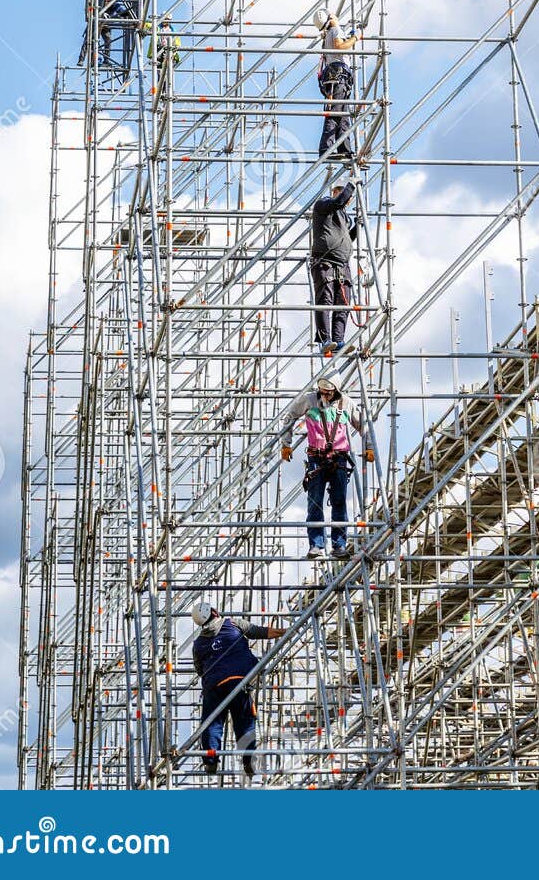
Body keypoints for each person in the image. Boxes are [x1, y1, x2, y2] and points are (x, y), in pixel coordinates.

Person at [280, 372, 372, 558]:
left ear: (336, 391)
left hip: (339, 459)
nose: (325, 395)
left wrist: (368, 447)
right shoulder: (309, 400)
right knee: (315, 502)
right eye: (323, 391)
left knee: (339, 502)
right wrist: (286, 443)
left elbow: (364, 425)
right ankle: (316, 544)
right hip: (317, 458)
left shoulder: (345, 403)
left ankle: (339, 545)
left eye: (329, 392)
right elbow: (289, 416)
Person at [191, 601, 283, 778]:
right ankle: (248, 760)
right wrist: (286, 632)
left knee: (211, 722)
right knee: (245, 720)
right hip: (239, 680)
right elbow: (261, 632)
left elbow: (200, 670)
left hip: (213, 685)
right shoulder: (233, 624)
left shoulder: (198, 644)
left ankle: (210, 761)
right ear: (214, 612)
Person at [309, 179, 356, 355]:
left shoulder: (344, 217)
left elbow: (344, 240)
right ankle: (325, 340)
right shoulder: (323, 205)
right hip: (325, 262)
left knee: (342, 304)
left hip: (342, 265)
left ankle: (338, 340)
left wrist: (355, 229)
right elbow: (337, 202)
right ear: (336, 191)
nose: (347, 201)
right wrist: (352, 183)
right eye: (345, 195)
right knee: (325, 301)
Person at [317, 10, 358, 160]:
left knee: (343, 115)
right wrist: (355, 38)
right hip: (338, 76)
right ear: (329, 19)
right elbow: (340, 47)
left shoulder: (328, 35)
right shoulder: (335, 30)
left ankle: (344, 149)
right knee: (335, 113)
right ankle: (326, 149)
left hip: (337, 76)